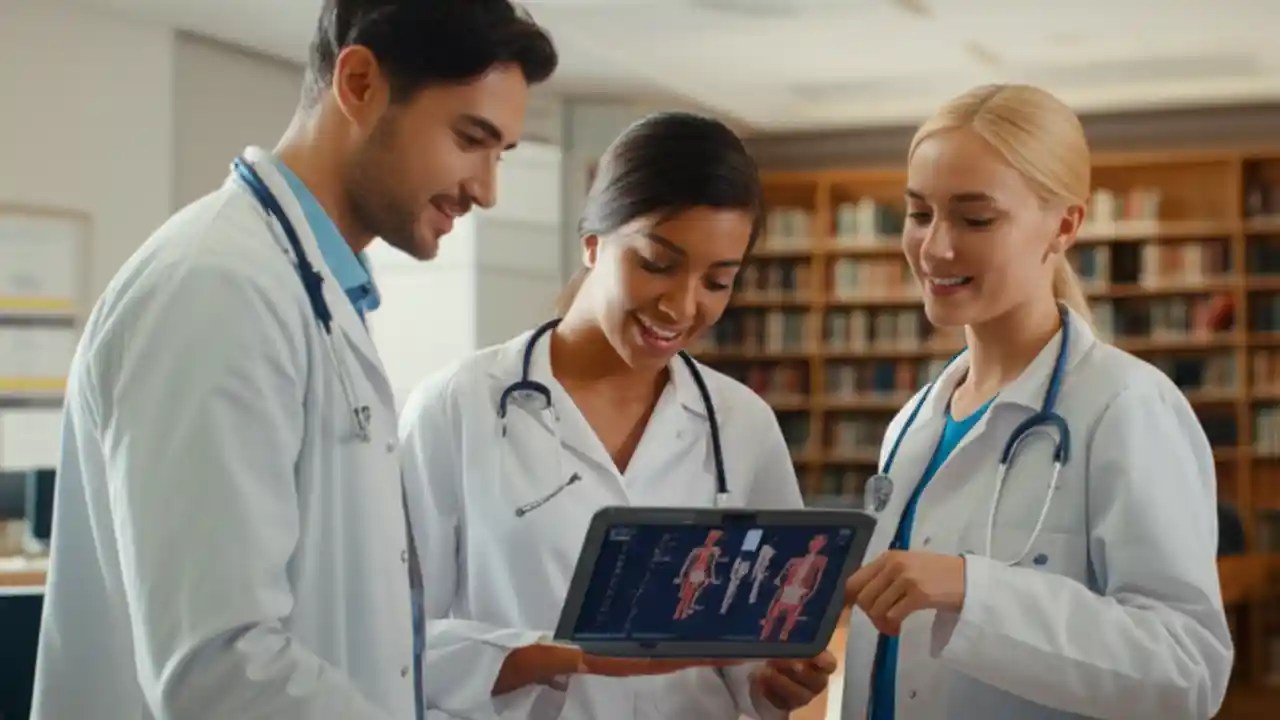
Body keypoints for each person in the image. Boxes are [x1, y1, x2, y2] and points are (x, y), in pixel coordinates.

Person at [30, 2, 556, 718]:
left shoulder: (310, 290)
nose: (485, 189)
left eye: (502, 155)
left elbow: (340, 625)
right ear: (362, 83)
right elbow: (220, 668)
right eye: (471, 139)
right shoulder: (216, 289)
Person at [399, 111, 837, 719]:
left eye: (717, 281)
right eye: (658, 263)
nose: (682, 305)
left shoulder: (743, 424)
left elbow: (760, 637)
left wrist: (772, 678)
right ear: (593, 242)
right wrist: (555, 657)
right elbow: (391, 639)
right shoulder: (457, 406)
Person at [841, 83, 1234, 719]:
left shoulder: (1125, 406)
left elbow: (1185, 669)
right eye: (919, 213)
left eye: (975, 219)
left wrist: (973, 591)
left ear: (1064, 225)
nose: (936, 247)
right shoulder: (911, 422)